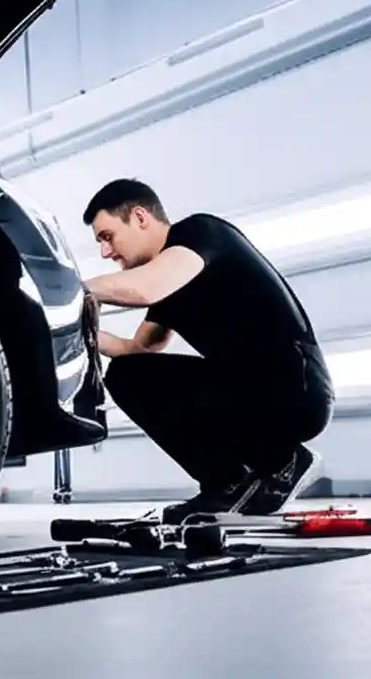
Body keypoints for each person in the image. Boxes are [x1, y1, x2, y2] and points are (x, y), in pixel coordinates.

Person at [80, 178, 336, 523]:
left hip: (297, 388)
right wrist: (80, 329)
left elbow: (145, 288)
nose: (106, 252)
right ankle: (232, 482)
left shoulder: (201, 233)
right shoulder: (169, 280)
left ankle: (279, 463)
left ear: (140, 217)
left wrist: (68, 294)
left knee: (132, 374)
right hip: (250, 390)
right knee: (129, 375)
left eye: (107, 237)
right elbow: (140, 348)